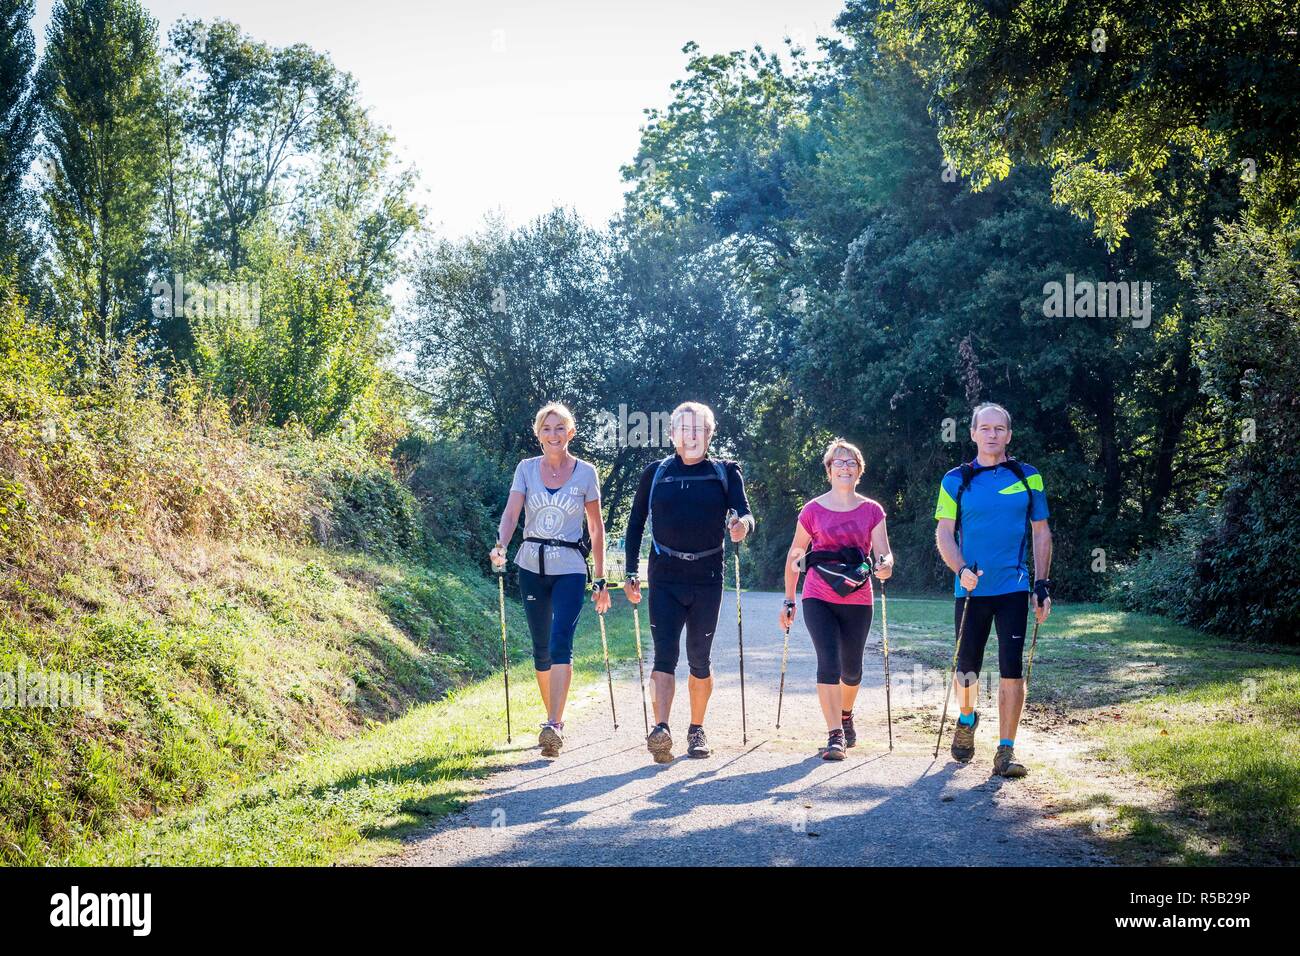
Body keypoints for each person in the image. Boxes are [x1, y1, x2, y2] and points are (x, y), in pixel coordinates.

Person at [623, 402, 754, 763]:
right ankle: (660, 729)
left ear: (710, 434)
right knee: (664, 654)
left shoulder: (725, 472)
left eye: (700, 429)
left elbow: (745, 512)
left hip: (707, 577)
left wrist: (743, 526)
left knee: (699, 657)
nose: (692, 435)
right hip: (664, 576)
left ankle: (696, 728)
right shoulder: (655, 473)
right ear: (672, 434)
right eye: (685, 428)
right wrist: (631, 572)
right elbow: (635, 525)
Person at [934, 403, 1053, 777]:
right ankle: (967, 718)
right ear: (972, 434)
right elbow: (944, 532)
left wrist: (1042, 583)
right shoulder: (957, 479)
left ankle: (1005, 751)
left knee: (1011, 668)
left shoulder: (1028, 476)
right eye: (984, 428)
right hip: (970, 589)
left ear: (1009, 435)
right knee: (966, 668)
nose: (992, 435)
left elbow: (1041, 531)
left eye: (999, 429)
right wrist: (961, 568)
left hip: (1014, 588)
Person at [491, 402, 610, 758]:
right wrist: (500, 544)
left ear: (570, 433)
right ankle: (551, 720)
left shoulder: (586, 472)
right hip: (530, 565)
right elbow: (512, 513)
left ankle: (554, 724)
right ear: (538, 433)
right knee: (540, 647)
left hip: (571, 568)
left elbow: (596, 527)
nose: (554, 434)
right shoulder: (526, 469)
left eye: (560, 428)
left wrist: (600, 578)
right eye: (547, 428)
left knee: (561, 642)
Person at [778, 439, 894, 759]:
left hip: (858, 597)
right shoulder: (813, 510)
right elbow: (796, 555)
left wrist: (885, 567)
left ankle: (846, 714)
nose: (845, 467)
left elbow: (884, 553)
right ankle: (835, 735)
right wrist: (789, 599)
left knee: (852, 670)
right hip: (818, 594)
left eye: (851, 463)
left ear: (859, 471)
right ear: (829, 470)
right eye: (838, 462)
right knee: (828, 662)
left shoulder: (872, 510)